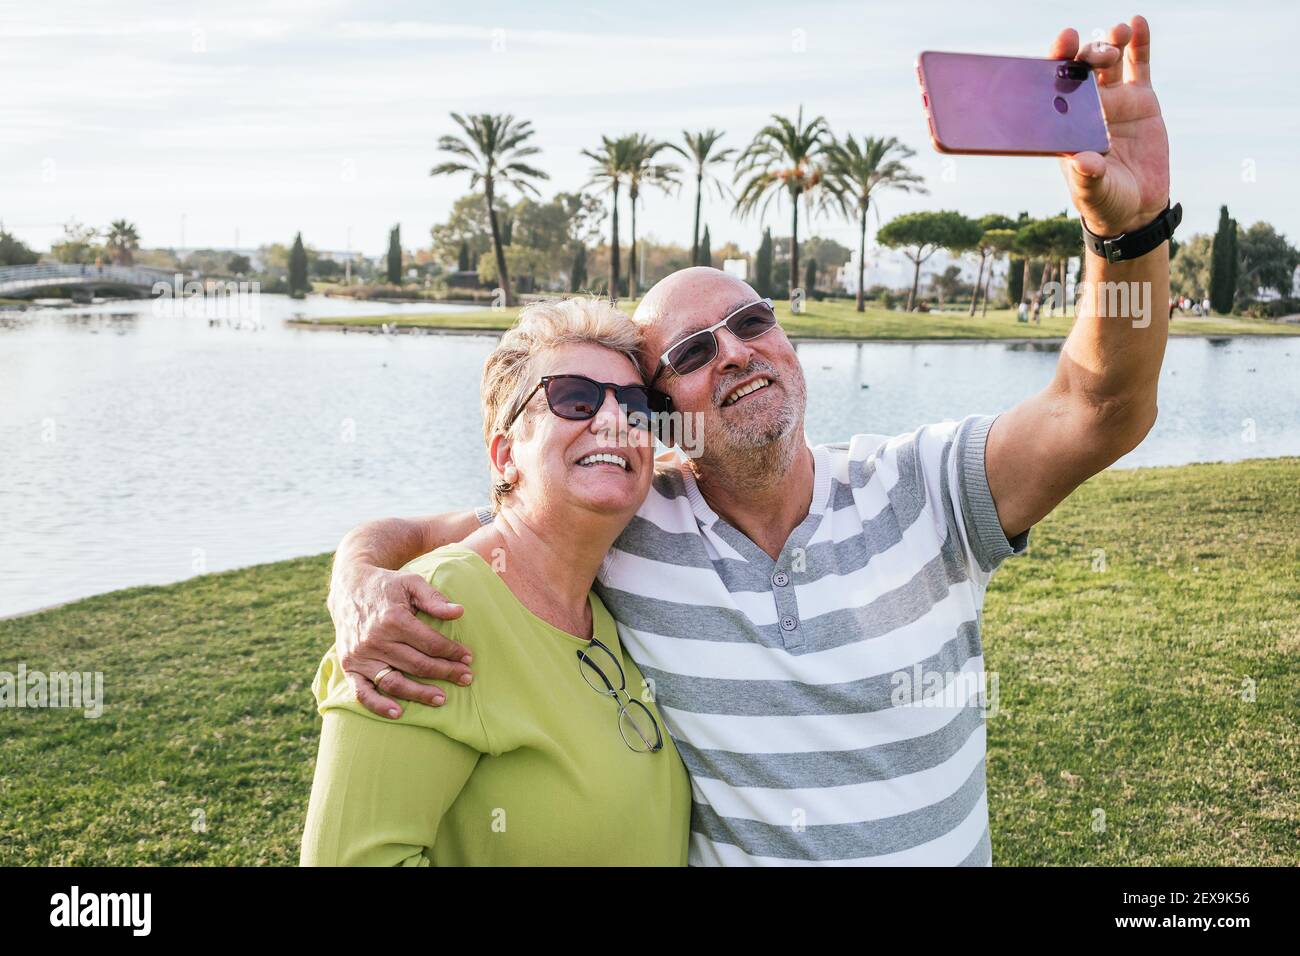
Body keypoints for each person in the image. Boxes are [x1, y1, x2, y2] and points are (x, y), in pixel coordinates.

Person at [326, 17, 1173, 866]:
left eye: (751, 321)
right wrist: (356, 577)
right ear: (666, 420)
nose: (733, 351)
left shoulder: (928, 485)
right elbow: (451, 537)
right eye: (692, 353)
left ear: (785, 341)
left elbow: (1100, 408)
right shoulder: (621, 524)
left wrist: (1126, 236)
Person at [301, 298, 691, 866]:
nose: (612, 420)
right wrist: (355, 574)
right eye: (574, 398)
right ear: (506, 454)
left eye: (635, 406)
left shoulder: (607, 598)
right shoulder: (429, 611)